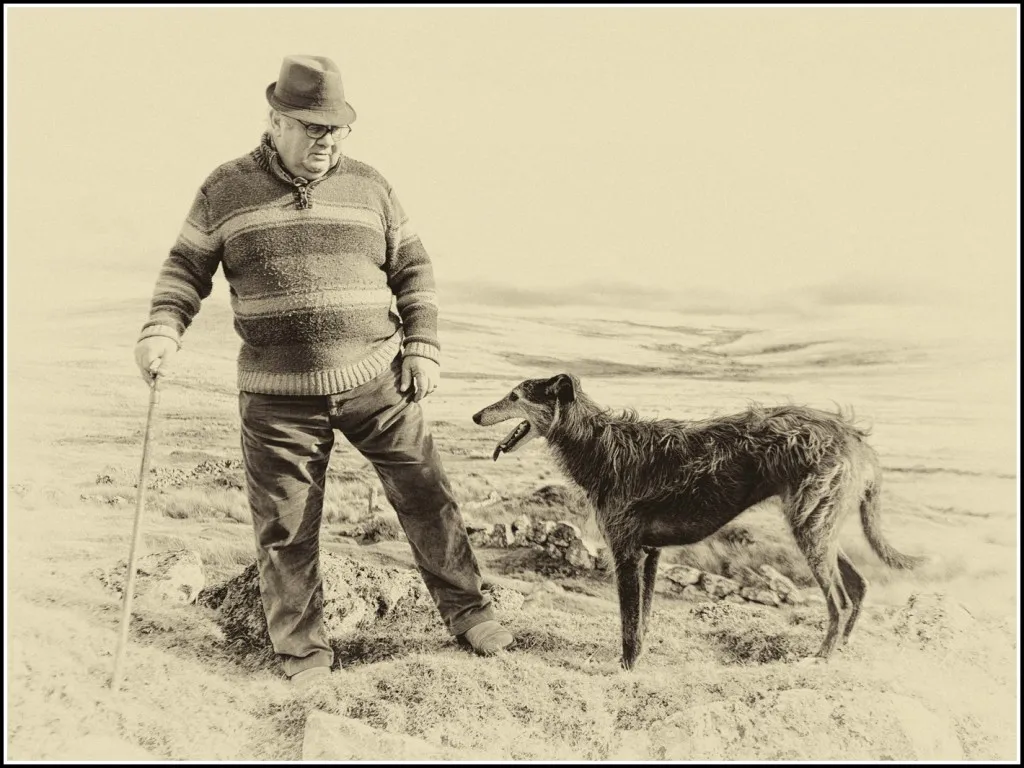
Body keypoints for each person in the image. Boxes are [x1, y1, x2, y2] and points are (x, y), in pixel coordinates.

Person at [134, 54, 514, 688]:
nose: (326, 139)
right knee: (285, 527)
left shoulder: (371, 186)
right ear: (276, 120)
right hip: (276, 397)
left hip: (377, 380)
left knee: (427, 495)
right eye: (312, 127)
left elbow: (413, 270)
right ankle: (304, 653)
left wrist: (423, 346)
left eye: (335, 128)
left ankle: (470, 614)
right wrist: (160, 331)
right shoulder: (223, 189)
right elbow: (183, 272)